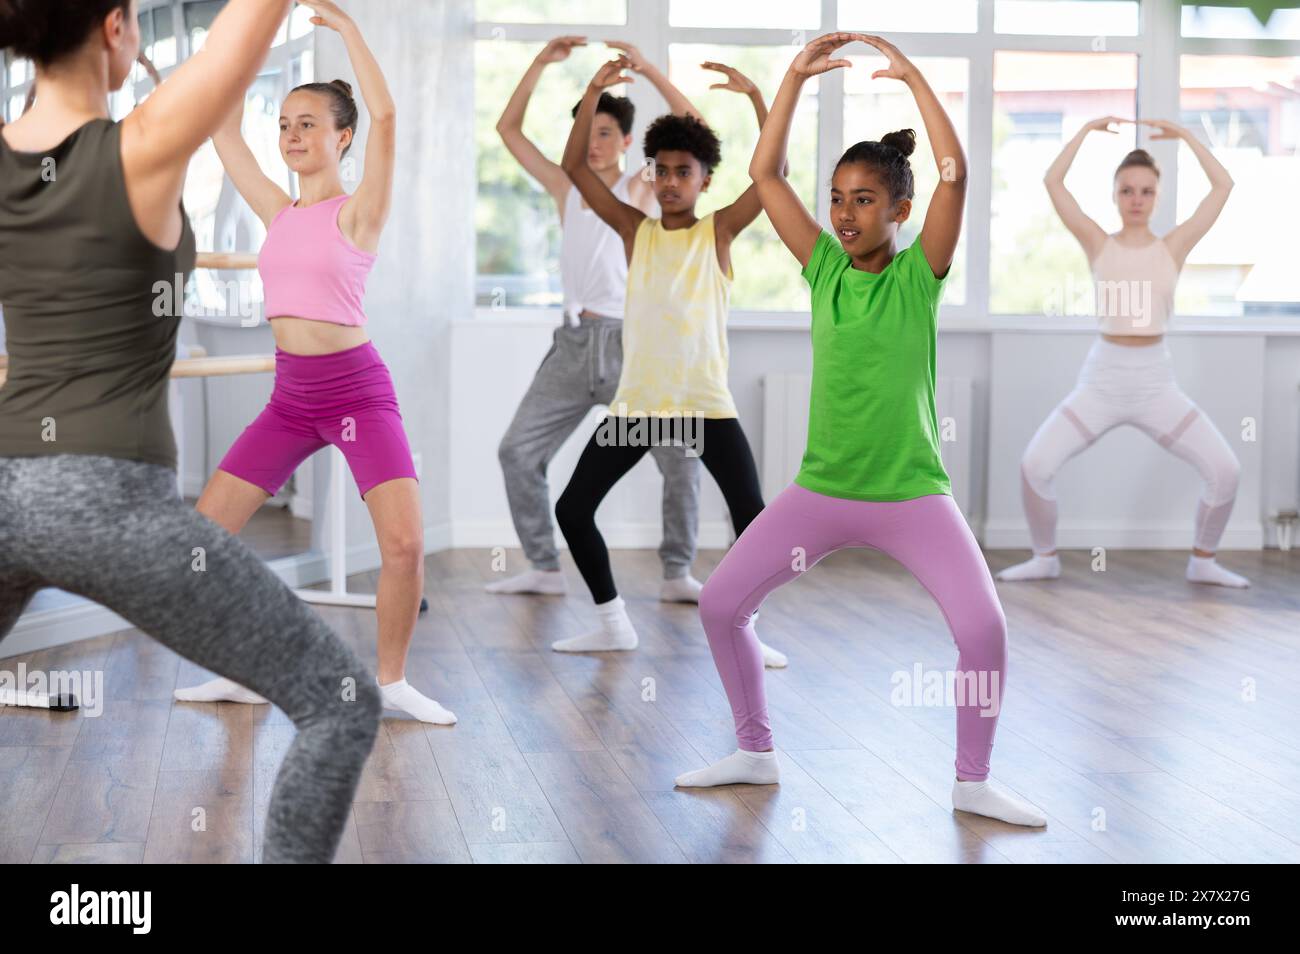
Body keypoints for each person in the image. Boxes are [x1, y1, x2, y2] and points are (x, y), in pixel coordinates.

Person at [0, 0, 381, 863]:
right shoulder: (139, 145)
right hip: (111, 504)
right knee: (341, 703)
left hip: (6, 486)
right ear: (115, 28)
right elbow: (240, 39)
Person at [676, 33, 1046, 828]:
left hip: (912, 494)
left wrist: (914, 78)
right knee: (721, 605)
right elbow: (766, 176)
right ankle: (754, 750)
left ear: (900, 211)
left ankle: (972, 782)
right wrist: (791, 79)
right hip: (823, 491)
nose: (844, 214)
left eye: (865, 200)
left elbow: (956, 173)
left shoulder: (919, 276)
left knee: (983, 628)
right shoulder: (823, 270)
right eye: (838, 198)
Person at [172, 1, 457, 723]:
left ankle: (391, 684)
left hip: (357, 392)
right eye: (284, 125)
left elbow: (387, 117)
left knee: (404, 543)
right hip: (291, 400)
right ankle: (240, 671)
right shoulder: (278, 211)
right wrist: (219, 51)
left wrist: (348, 30)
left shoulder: (358, 212)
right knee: (203, 538)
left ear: (342, 137)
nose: (291, 136)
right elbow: (223, 129)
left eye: (308, 124)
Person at [551, 54, 787, 670]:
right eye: (662, 170)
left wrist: (758, 98)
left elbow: (774, 176)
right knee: (572, 508)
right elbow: (574, 168)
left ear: (705, 180)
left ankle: (747, 630)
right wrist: (593, 88)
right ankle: (612, 624)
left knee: (753, 520)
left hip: (705, 408)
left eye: (685, 171)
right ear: (651, 175)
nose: (671, 181)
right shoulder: (636, 231)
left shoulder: (719, 233)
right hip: (640, 410)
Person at [489, 37, 705, 603]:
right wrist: (540, 61)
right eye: (587, 130)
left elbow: (694, 129)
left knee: (682, 456)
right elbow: (508, 130)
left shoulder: (642, 186)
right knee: (517, 452)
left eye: (606, 132)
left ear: (628, 142)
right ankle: (544, 566)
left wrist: (649, 69)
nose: (595, 142)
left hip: (632, 348)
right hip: (573, 346)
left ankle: (677, 572)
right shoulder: (567, 186)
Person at [997, 116, 1246, 588]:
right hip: (1103, 380)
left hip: (1155, 382)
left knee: (1225, 470)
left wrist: (1186, 136)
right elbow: (1053, 182)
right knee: (1034, 465)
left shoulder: (1173, 247)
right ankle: (1044, 558)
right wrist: (1085, 131)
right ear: (1114, 195)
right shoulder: (1098, 243)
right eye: (1127, 190)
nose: (1136, 199)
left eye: (1146, 191)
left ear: (1157, 197)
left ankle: (1203, 561)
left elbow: (1223, 186)